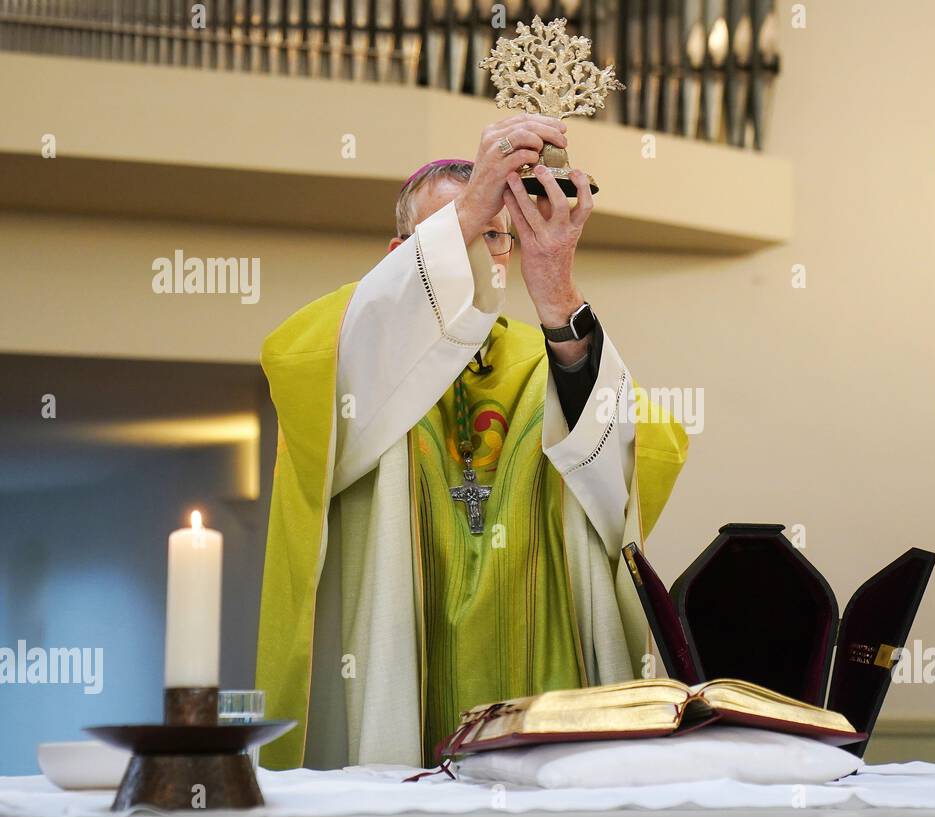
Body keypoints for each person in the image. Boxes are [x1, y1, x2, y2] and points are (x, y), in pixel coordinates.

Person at [255, 113, 688, 769]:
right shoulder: (354, 353)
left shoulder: (551, 360)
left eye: (493, 232)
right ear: (402, 257)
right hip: (393, 695)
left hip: (547, 693)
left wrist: (560, 297)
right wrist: (468, 216)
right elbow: (302, 365)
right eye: (447, 233)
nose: (475, 252)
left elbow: (627, 466)